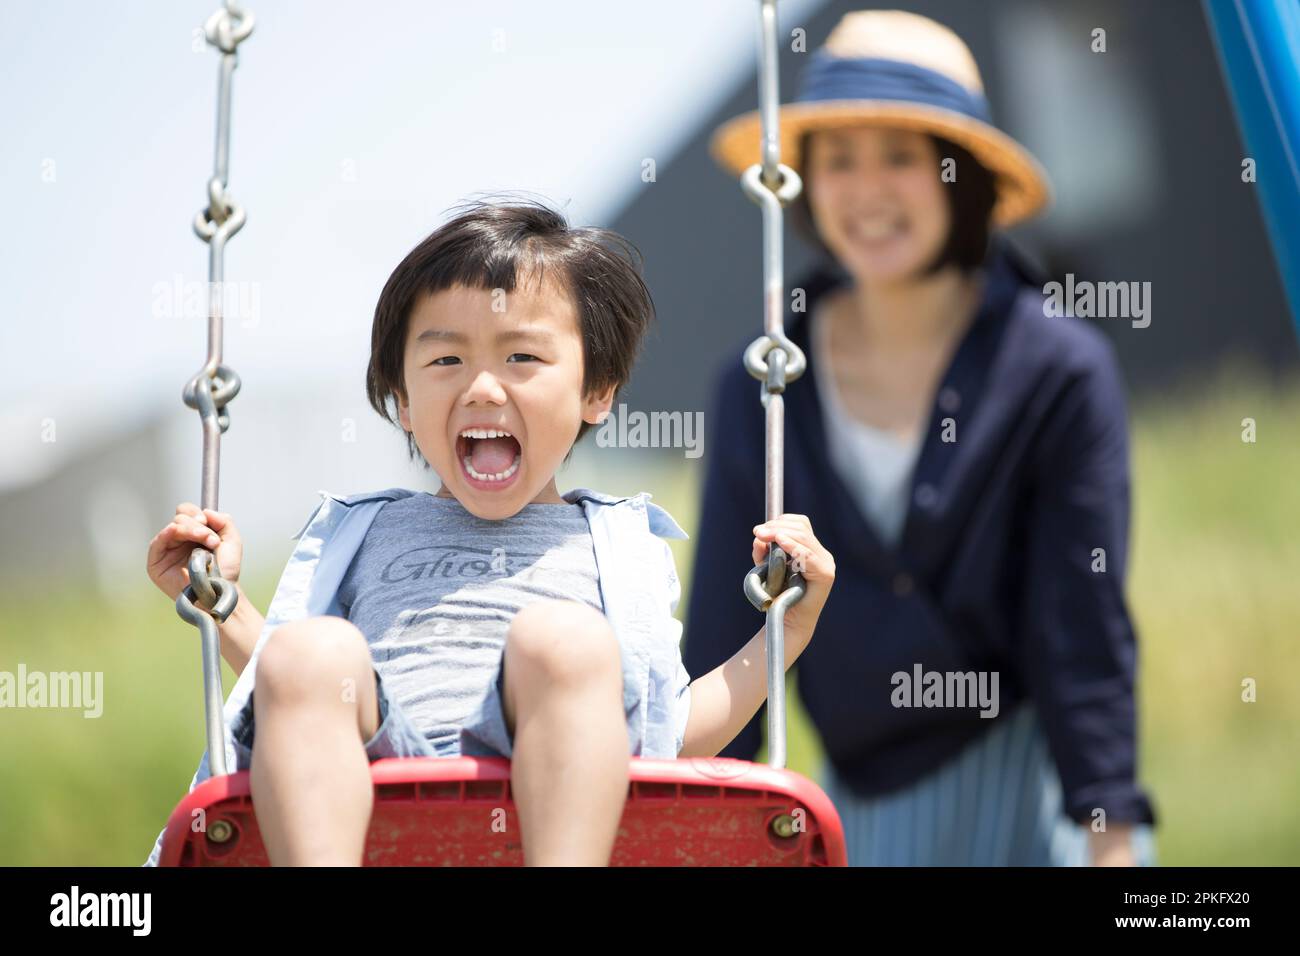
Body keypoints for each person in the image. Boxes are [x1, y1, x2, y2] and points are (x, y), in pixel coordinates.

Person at [142, 200, 835, 867]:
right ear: (404, 402)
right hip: (379, 783)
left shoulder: (613, 543)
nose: (481, 388)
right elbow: (297, 691)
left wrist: (786, 633)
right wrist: (221, 602)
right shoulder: (364, 529)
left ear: (597, 390)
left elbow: (664, 725)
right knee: (309, 650)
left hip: (556, 804)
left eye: (521, 359)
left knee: (561, 641)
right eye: (446, 361)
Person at [687, 10, 1157, 865]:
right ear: (802, 181)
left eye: (902, 155)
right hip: (850, 814)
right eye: (838, 158)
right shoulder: (760, 382)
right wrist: (705, 823)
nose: (867, 191)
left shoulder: (1059, 370)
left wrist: (1111, 841)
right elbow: (728, 639)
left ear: (962, 176)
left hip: (1034, 798)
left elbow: (1081, 631)